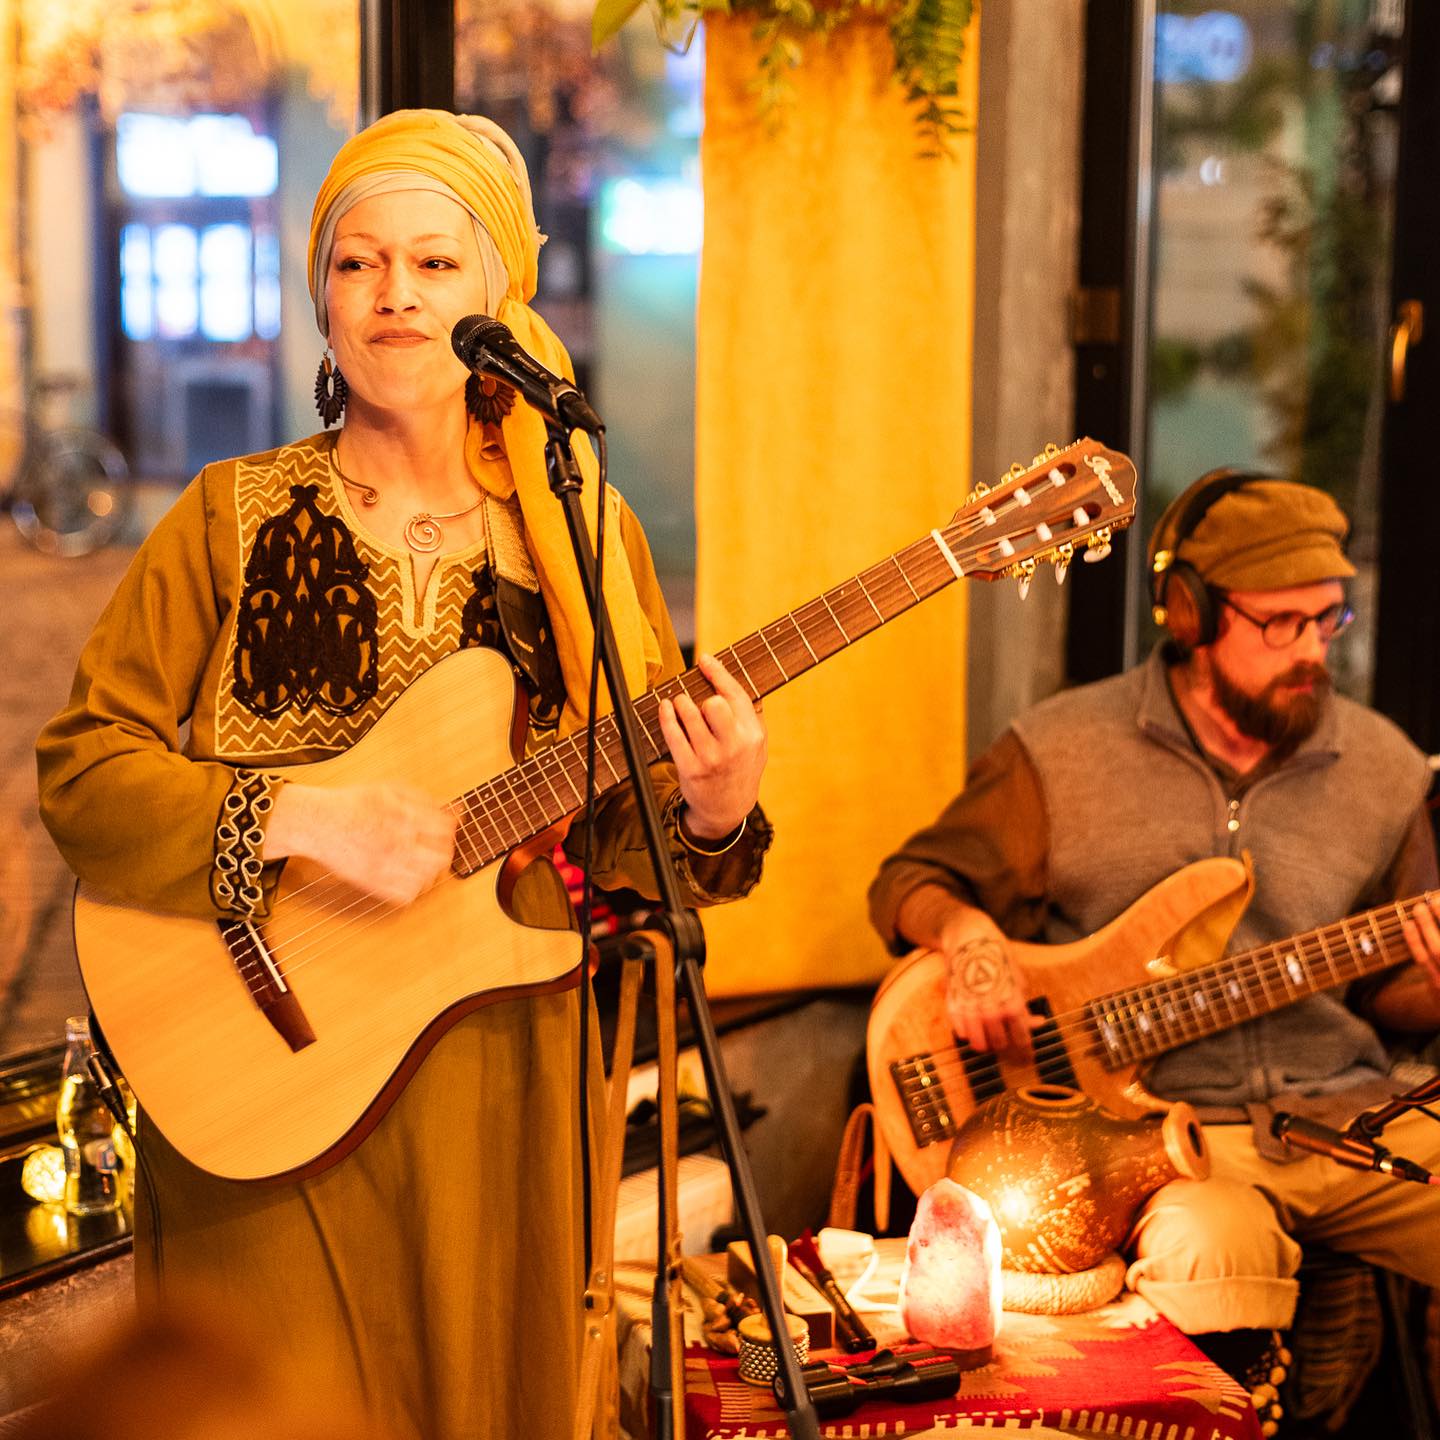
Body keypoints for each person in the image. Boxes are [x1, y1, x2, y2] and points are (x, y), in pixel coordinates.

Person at [36, 109, 770, 1440]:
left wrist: (713, 811)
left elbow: (625, 850)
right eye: (358, 264)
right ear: (320, 294)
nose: (394, 298)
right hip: (258, 1072)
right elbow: (84, 772)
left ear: (497, 294)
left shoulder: (582, 543)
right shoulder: (227, 517)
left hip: (498, 1075)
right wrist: (295, 817)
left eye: (434, 266)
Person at [869, 471, 1440, 1391]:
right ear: (1187, 612)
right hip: (1160, 1140)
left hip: (1351, 1111)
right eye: (1279, 624)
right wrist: (970, 938)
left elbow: (1393, 995)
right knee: (1208, 1255)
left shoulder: (1386, 765)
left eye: (1327, 620)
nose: (1311, 653)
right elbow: (911, 882)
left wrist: (1435, 983)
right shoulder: (1061, 750)